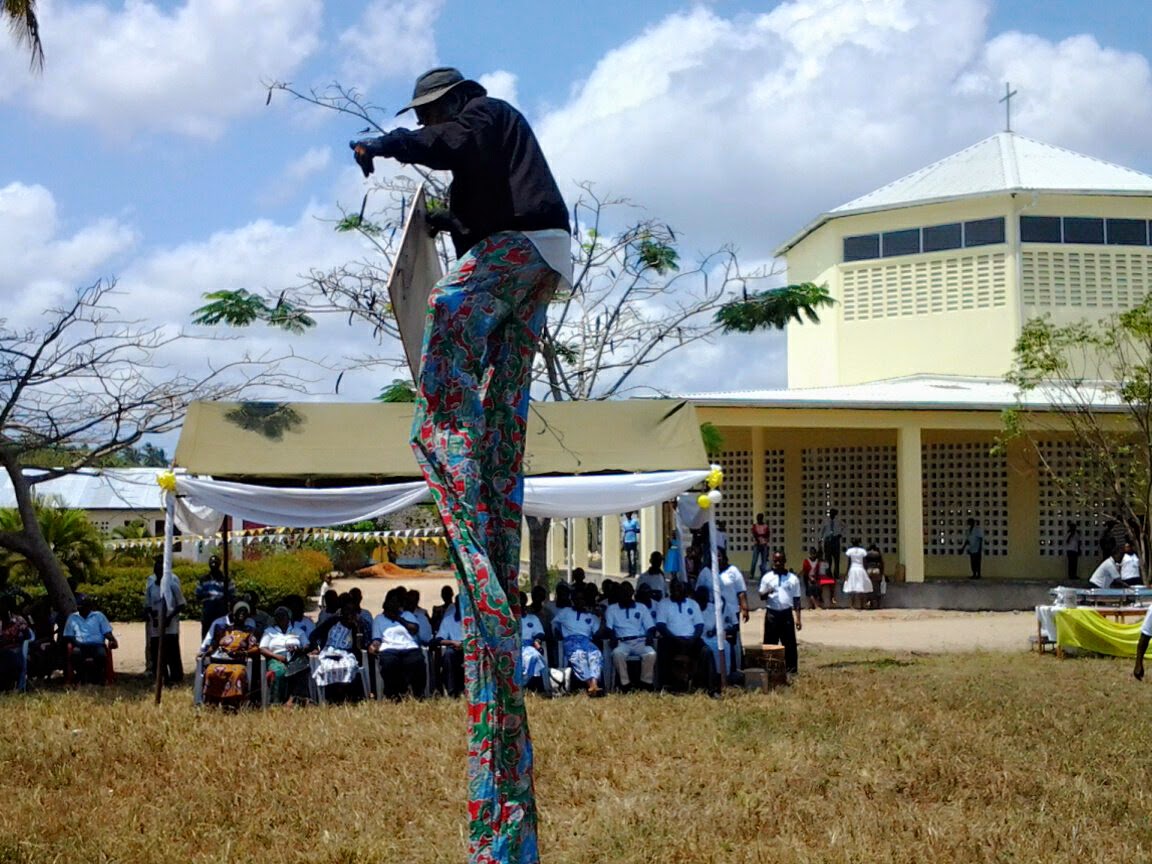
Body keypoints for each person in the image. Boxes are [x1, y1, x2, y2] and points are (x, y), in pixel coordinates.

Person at [353, 62, 570, 863]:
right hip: (542, 260)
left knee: (448, 310)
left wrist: (388, 143)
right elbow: (473, 195)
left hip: (524, 248)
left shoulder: (482, 117)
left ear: (450, 104)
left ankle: (449, 425)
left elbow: (450, 147)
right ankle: (490, 448)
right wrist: (441, 224)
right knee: (504, 396)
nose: (430, 128)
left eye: (430, 118)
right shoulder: (493, 151)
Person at [370, 587, 426, 701]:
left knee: (417, 661)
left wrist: (398, 618)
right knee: (389, 663)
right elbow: (377, 638)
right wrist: (374, 646)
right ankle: (394, 695)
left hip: (409, 648)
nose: (393, 605)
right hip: (389, 649)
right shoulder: (379, 619)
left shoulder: (407, 615)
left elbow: (414, 629)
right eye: (391, 602)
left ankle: (418, 695)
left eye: (396, 602)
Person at [201, 600, 258, 707]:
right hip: (221, 659)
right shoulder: (224, 629)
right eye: (239, 611)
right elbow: (215, 644)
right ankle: (213, 702)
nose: (242, 614)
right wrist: (204, 653)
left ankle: (232, 703)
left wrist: (242, 653)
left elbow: (255, 648)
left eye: (244, 612)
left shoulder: (249, 631)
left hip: (237, 661)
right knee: (210, 671)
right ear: (234, 613)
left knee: (237, 673)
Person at [605, 581, 656, 692]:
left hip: (640, 641)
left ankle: (645, 683)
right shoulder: (612, 609)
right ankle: (625, 684)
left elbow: (650, 626)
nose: (626, 594)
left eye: (628, 591)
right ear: (619, 593)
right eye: (622, 591)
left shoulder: (641, 607)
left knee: (651, 654)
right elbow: (609, 628)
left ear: (633, 592)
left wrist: (650, 635)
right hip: (622, 642)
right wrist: (612, 636)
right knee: (617, 654)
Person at [311, 600, 366, 703]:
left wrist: (358, 628)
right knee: (327, 666)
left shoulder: (356, 626)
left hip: (346, 653)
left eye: (352, 611)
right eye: (347, 610)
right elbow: (314, 635)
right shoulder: (332, 621)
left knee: (348, 666)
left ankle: (343, 695)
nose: (349, 613)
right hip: (328, 651)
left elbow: (358, 646)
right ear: (342, 611)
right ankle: (330, 696)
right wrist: (316, 648)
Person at [654, 578, 704, 692]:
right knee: (663, 648)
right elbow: (661, 626)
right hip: (671, 639)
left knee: (706, 651)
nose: (677, 590)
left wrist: (693, 639)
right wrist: (676, 639)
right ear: (670, 589)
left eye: (679, 587)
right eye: (674, 587)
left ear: (684, 589)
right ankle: (666, 685)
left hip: (691, 639)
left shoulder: (693, 604)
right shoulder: (663, 604)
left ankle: (706, 686)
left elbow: (700, 625)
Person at [552, 589, 603, 695]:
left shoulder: (591, 616)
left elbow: (598, 634)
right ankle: (590, 685)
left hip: (586, 640)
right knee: (579, 655)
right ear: (573, 600)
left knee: (596, 654)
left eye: (582, 599)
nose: (580, 601)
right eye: (577, 599)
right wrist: (557, 633)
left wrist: (602, 619)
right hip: (570, 640)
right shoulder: (565, 611)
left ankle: (594, 683)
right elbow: (554, 623)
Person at [759, 553, 803, 675]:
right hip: (772, 614)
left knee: (790, 644)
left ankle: (791, 671)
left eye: (780, 561)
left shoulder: (793, 579)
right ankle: (769, 671)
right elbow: (761, 596)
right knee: (770, 643)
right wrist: (768, 591)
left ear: (785, 561)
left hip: (786, 614)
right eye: (775, 561)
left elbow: (797, 600)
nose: (778, 563)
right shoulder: (767, 577)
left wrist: (798, 619)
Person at [145, 556, 186, 685]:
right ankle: (162, 678)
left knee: (172, 653)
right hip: (156, 627)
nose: (158, 573)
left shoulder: (172, 585)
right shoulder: (151, 586)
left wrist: (169, 617)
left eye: (160, 571)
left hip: (170, 626)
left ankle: (176, 678)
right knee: (157, 654)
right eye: (156, 571)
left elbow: (181, 604)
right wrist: (152, 616)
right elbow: (148, 605)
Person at [258, 606, 309, 705]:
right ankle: (276, 701)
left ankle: (296, 699)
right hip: (276, 657)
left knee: (300, 670)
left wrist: (298, 649)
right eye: (278, 616)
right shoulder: (269, 631)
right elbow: (262, 648)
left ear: (288, 617)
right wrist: (277, 656)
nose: (280, 618)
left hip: (295, 656)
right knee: (279, 672)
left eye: (283, 615)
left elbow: (306, 645)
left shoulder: (297, 631)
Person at [62, 595, 117, 684]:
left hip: (97, 645)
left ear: (89, 606)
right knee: (75, 655)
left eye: (83, 605)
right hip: (79, 645)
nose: (80, 607)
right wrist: (77, 643)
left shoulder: (99, 616)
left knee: (101, 655)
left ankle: (97, 676)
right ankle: (81, 676)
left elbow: (106, 632)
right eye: (79, 606)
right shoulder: (73, 617)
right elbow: (68, 635)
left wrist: (113, 640)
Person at [434, 596, 465, 697]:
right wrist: (453, 642)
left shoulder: (474, 618)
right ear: (456, 605)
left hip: (471, 648)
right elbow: (439, 639)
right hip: (455, 647)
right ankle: (452, 691)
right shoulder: (448, 619)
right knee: (448, 654)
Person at [0, 595, 32, 691]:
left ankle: (16, 686)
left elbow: (28, 635)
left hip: (16, 648)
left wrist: (22, 631)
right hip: (3, 649)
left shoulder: (18, 620)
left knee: (11, 657)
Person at [519, 594, 549, 693]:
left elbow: (539, 633)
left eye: (522, 602)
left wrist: (537, 642)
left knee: (535, 657)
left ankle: (536, 687)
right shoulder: (509, 618)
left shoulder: (532, 618)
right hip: (514, 646)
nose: (520, 605)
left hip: (528, 646)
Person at [195, 555, 228, 638]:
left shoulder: (225, 579)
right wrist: (207, 596)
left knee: (221, 635)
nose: (214, 565)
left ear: (219, 564)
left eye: (215, 563)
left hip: (221, 613)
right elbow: (198, 595)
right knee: (206, 635)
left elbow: (231, 595)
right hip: (208, 612)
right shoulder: (203, 579)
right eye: (212, 563)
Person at [842, 539, 872, 610]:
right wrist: (866, 570)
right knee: (861, 587)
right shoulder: (862, 551)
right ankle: (862, 604)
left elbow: (849, 563)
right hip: (861, 569)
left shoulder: (850, 551)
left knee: (852, 587)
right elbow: (865, 562)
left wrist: (846, 573)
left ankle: (852, 605)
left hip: (853, 569)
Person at [819, 508, 844, 580]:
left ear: (835, 514)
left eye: (833, 513)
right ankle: (828, 574)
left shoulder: (838, 520)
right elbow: (822, 530)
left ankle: (836, 575)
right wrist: (820, 539)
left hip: (835, 540)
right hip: (828, 541)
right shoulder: (825, 520)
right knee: (828, 559)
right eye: (831, 513)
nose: (831, 514)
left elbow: (845, 526)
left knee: (836, 559)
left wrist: (841, 534)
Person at [864, 544, 886, 609]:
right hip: (876, 570)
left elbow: (865, 564)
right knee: (877, 587)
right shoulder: (878, 554)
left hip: (869, 570)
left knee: (868, 587)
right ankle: (878, 604)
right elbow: (881, 563)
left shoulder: (867, 554)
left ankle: (869, 602)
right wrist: (882, 573)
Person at [620, 512, 641, 578]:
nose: (627, 515)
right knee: (628, 557)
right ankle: (630, 572)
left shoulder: (634, 521)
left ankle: (634, 572)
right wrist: (623, 542)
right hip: (627, 541)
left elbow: (639, 530)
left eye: (628, 514)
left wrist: (633, 530)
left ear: (631, 514)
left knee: (633, 557)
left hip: (633, 540)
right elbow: (624, 532)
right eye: (626, 514)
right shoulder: (624, 523)